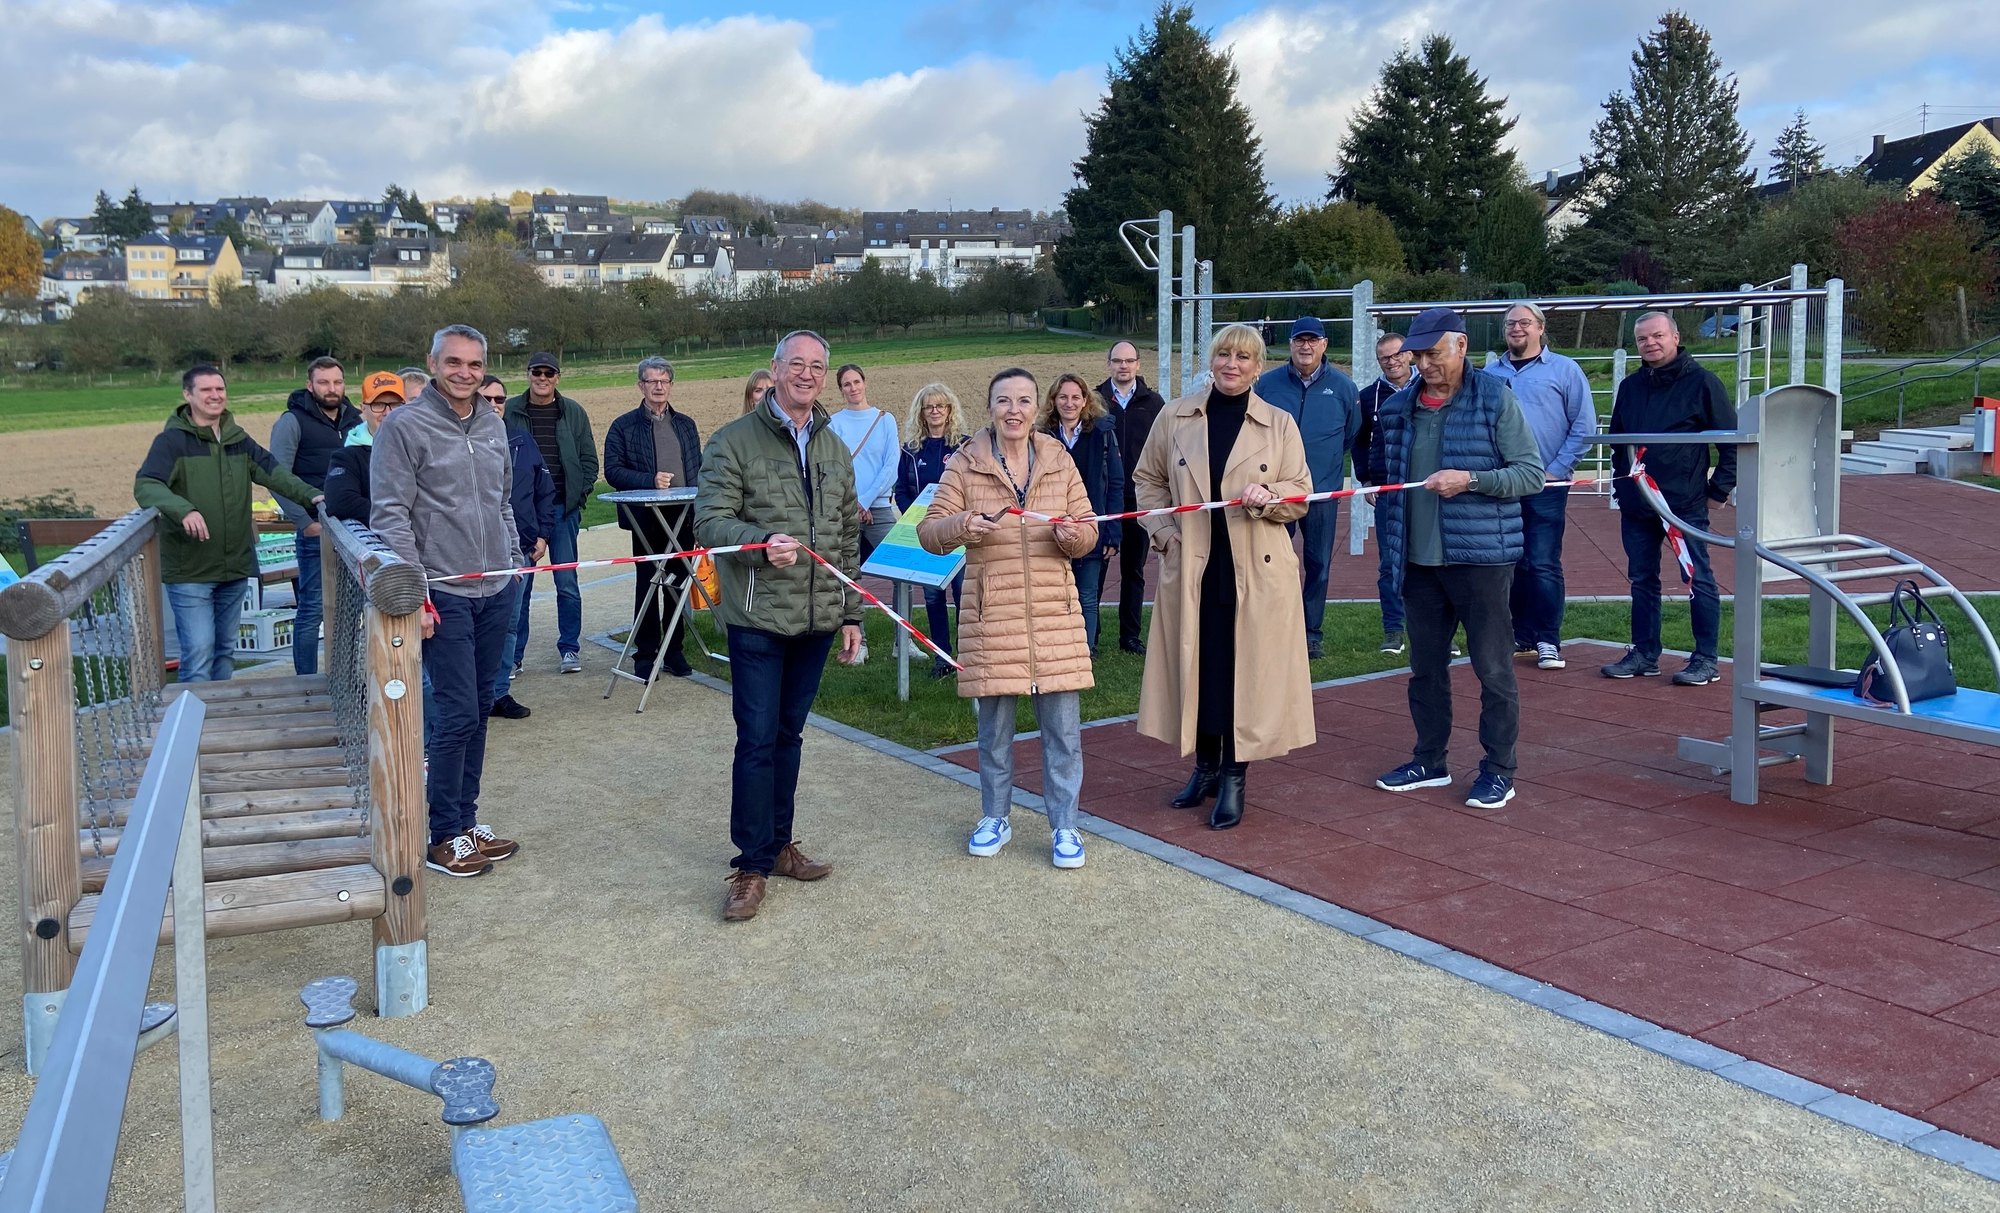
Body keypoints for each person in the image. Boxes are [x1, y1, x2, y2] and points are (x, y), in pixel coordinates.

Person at [693, 329, 862, 923]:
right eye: (797, 364)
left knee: (789, 738)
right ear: (776, 368)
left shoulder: (833, 445)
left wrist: (851, 614)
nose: (807, 374)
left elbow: (844, 535)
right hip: (759, 618)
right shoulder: (733, 442)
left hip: (816, 620)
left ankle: (781, 845)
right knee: (757, 742)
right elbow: (708, 522)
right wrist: (760, 545)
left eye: (818, 366)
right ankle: (750, 864)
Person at [1133, 324, 1314, 831]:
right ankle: (1205, 766)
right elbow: (1146, 480)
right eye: (1224, 355)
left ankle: (1235, 775)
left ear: (1258, 368)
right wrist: (1164, 532)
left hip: (1256, 572)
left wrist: (1270, 495)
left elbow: (1301, 491)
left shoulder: (1278, 423)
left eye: (1244, 357)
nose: (1232, 364)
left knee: (1245, 675)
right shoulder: (1175, 416)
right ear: (1211, 361)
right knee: (1202, 669)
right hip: (1193, 567)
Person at [919, 368, 1099, 868]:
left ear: (1034, 407)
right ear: (991, 408)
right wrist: (962, 525)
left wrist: (1071, 537)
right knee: (993, 731)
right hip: (991, 614)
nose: (1014, 410)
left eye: (1023, 400)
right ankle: (995, 815)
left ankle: (1066, 826)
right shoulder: (966, 461)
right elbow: (930, 532)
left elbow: (1088, 530)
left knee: (1062, 732)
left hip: (1053, 616)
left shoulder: (1059, 460)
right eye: (1004, 401)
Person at [1370, 308, 1545, 811]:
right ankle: (1429, 760)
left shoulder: (1495, 398)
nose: (1426, 364)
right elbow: (1385, 473)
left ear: (1462, 346)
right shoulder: (1398, 407)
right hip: (1419, 564)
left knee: (1493, 669)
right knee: (1425, 669)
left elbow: (1530, 475)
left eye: (1435, 353)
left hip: (1483, 560)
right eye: (1419, 355)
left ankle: (1498, 769)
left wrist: (1470, 479)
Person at [371, 324, 522, 879]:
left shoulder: (492, 425)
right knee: (456, 712)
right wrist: (419, 593)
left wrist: (512, 565)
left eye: (474, 365)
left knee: (480, 706)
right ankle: (444, 834)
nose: (465, 373)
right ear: (432, 362)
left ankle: (467, 819)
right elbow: (390, 514)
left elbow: (502, 501)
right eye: (453, 362)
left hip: (495, 588)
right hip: (443, 593)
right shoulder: (405, 427)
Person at [136, 364, 324, 683]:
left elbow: (274, 474)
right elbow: (147, 485)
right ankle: (195, 727)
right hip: (190, 570)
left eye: (219, 389)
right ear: (188, 395)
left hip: (234, 566)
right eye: (206, 390)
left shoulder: (237, 439)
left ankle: (217, 719)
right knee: (198, 652)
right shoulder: (172, 442)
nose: (215, 396)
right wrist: (183, 510)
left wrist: (314, 496)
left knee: (224, 650)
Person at [1604, 311, 1737, 687]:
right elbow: (1618, 442)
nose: (1650, 343)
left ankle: (1705, 659)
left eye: (1657, 335)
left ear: (1675, 337)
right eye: (1643, 338)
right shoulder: (1630, 388)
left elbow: (1732, 443)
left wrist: (1719, 491)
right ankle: (1645, 653)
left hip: (1684, 505)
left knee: (1697, 577)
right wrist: (1623, 488)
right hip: (1637, 505)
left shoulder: (1703, 383)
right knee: (1642, 578)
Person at [1485, 303, 1597, 672]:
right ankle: (1523, 634)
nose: (1517, 329)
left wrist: (1557, 469)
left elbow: (1583, 426)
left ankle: (1548, 638)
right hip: (1504, 484)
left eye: (1524, 323)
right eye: (1510, 324)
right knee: (1510, 561)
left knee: (1543, 562)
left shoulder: (1565, 370)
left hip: (1547, 485)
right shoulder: (1490, 373)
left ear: (1540, 328)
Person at [1254, 316, 1359, 661]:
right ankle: (1270, 628)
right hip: (1277, 492)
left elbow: (1350, 435)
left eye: (1313, 340)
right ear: (1290, 344)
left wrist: (1321, 467)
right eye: (1300, 339)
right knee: (1269, 563)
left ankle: (1311, 632)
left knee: (1318, 565)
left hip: (1320, 493)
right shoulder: (1267, 385)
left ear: (1324, 345)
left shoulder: (1343, 388)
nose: (1306, 346)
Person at [602, 356, 703, 680]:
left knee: (677, 583)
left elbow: (699, 469)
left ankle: (674, 650)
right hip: (647, 518)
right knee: (648, 583)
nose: (658, 386)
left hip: (682, 517)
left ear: (670, 385)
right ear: (641, 385)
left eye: (664, 381)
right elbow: (614, 471)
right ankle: (645, 655)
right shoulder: (624, 426)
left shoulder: (686, 425)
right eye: (651, 381)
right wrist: (649, 479)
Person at [503, 351, 597, 674]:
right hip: (522, 514)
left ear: (558, 377)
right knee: (521, 586)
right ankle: (514, 656)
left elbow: (588, 462)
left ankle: (569, 648)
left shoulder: (573, 413)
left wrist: (576, 499)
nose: (542, 378)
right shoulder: (511, 411)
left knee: (566, 581)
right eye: (536, 372)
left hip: (561, 510)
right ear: (527, 374)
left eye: (549, 373)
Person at [267, 355, 361, 676]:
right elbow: (276, 477)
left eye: (337, 382)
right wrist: (303, 522)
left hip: (354, 533)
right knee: (312, 611)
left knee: (350, 612)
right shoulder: (292, 422)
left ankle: (345, 679)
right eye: (323, 382)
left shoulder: (356, 421)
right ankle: (305, 682)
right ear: (310, 385)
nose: (331, 389)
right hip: (316, 531)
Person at [1038, 372, 1124, 656]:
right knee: (1054, 595)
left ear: (1085, 400)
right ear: (1053, 401)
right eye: (1063, 397)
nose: (1069, 402)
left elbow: (1115, 483)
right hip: (1050, 530)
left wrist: (1113, 532)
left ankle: (1084, 651)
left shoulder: (1102, 433)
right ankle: (1056, 649)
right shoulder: (1039, 437)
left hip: (1092, 527)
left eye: (1076, 397)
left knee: (1087, 595)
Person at [487, 375, 555, 719]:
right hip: (480, 555)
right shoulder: (457, 440)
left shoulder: (520, 438)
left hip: (522, 549)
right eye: (487, 399)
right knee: (475, 630)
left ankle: (499, 693)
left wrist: (543, 534)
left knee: (509, 624)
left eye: (500, 399)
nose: (494, 405)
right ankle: (473, 698)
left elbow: (544, 488)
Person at [898, 382, 972, 678]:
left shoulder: (965, 446)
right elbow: (901, 490)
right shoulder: (910, 450)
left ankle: (966, 656)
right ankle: (942, 657)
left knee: (963, 595)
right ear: (922, 413)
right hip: (927, 536)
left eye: (940, 405)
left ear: (950, 409)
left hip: (959, 535)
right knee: (932, 597)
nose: (935, 411)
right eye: (929, 407)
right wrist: (915, 518)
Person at [1097, 340, 1166, 655]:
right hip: (1102, 499)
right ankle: (1090, 636)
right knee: (1094, 569)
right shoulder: (1094, 400)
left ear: (1138, 364)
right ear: (1109, 363)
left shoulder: (1153, 403)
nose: (1123, 366)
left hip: (1139, 498)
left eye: (1129, 361)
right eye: (1117, 361)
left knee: (1133, 570)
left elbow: (1164, 449)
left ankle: (1130, 636)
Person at [1357, 332, 1413, 654]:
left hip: (1427, 489)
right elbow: (1359, 441)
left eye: (1396, 355)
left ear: (1409, 354)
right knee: (1390, 564)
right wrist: (1366, 480)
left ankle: (1437, 634)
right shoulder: (1369, 397)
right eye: (1384, 358)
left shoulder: (1429, 388)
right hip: (1387, 492)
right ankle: (1393, 630)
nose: (1392, 362)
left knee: (1432, 564)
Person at [828, 363, 901, 567]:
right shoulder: (833, 424)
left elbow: (891, 465)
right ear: (841, 390)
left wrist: (866, 502)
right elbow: (835, 470)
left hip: (879, 508)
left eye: (856, 382)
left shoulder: (885, 420)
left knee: (898, 570)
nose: (853, 388)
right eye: (847, 384)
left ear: (864, 383)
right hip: (846, 511)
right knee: (845, 571)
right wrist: (855, 504)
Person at [323, 371, 406, 523]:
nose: (387, 413)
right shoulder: (348, 457)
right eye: (378, 405)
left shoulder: (422, 450)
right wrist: (397, 519)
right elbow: (340, 501)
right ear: (363, 408)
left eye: (395, 405)